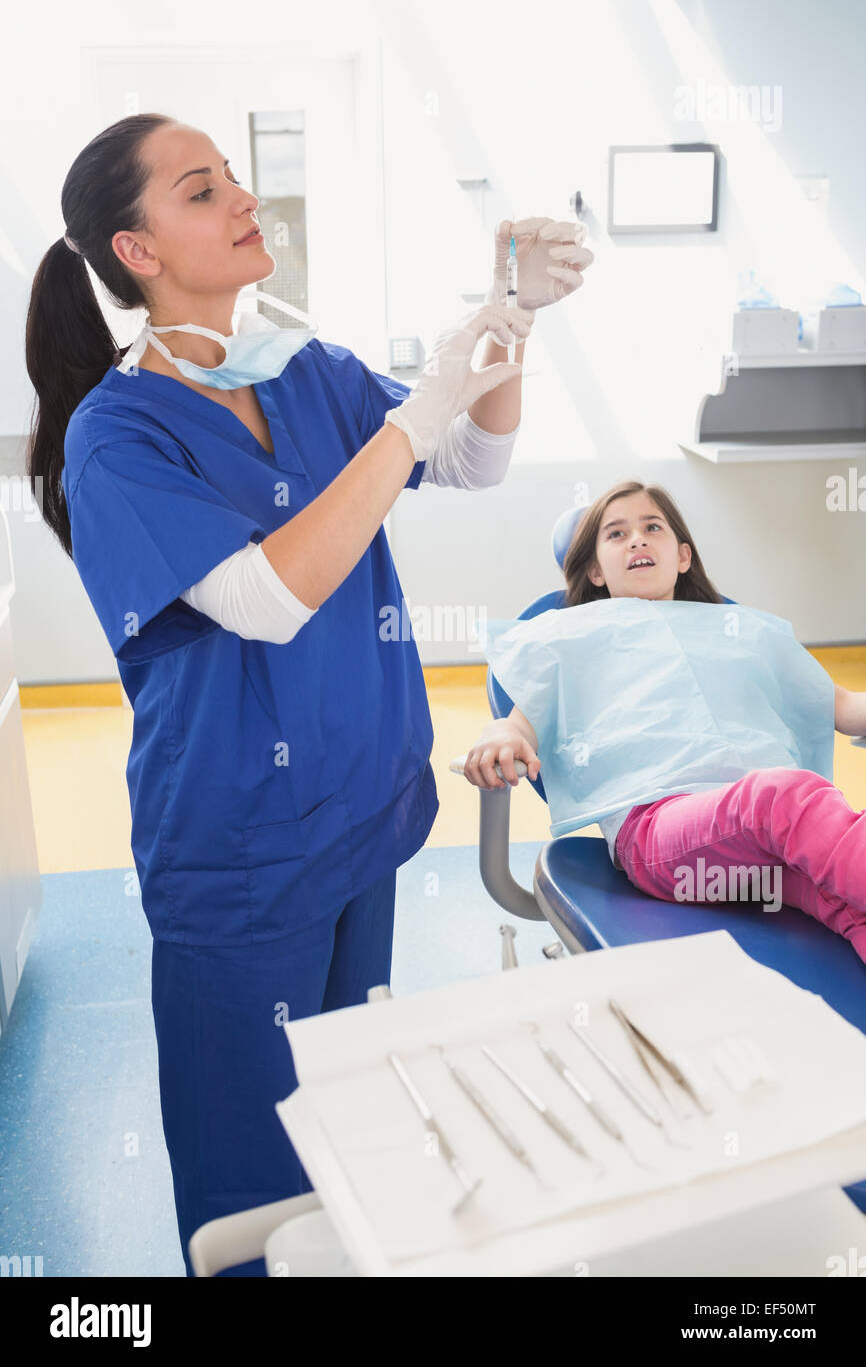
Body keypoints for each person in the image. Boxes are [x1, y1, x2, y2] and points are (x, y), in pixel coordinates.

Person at [24, 112, 594, 1276]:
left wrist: (508, 319)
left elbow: (472, 461)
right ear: (136, 251)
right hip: (240, 853)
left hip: (360, 817)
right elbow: (267, 597)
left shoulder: (306, 369)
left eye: (235, 176)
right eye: (201, 190)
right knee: (252, 1187)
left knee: (350, 1132)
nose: (244, 200)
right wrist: (412, 412)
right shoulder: (118, 433)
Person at [462, 481, 866, 963]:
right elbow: (518, 723)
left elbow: (840, 704)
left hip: (769, 846)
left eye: (652, 527)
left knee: (845, 903)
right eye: (616, 534)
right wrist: (500, 736)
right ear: (594, 569)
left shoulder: (742, 630)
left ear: (682, 556)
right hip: (660, 829)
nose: (637, 539)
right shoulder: (569, 636)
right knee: (780, 795)